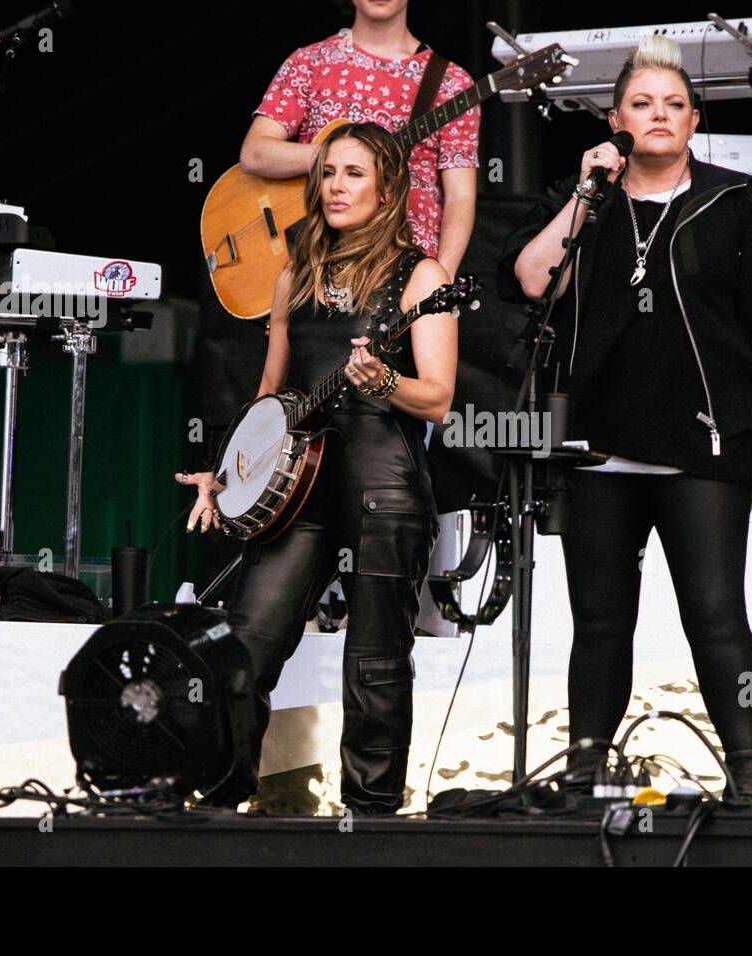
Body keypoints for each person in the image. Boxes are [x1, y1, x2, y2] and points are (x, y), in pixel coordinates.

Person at [499, 36, 752, 805]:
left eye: (673, 105)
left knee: (715, 616)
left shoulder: (738, 202)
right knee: (600, 623)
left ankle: (749, 776)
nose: (658, 115)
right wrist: (586, 194)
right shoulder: (587, 201)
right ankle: (583, 773)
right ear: (615, 119)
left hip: (706, 438)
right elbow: (530, 278)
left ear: (694, 119)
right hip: (599, 443)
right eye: (641, 104)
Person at [179, 123, 457, 814]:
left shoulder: (422, 277)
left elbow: (440, 400)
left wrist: (382, 381)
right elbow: (268, 401)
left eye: (354, 174)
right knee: (245, 645)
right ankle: (219, 803)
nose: (335, 186)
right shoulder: (293, 273)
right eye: (329, 172)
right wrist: (228, 472)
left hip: (382, 482)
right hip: (294, 488)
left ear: (389, 189)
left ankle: (371, 816)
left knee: (376, 663)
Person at [240, 0, 479, 277]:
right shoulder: (309, 62)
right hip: (317, 259)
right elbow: (255, 153)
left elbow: (460, 197)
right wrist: (338, 156)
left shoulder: (451, 82)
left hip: (405, 265)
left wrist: (441, 281)